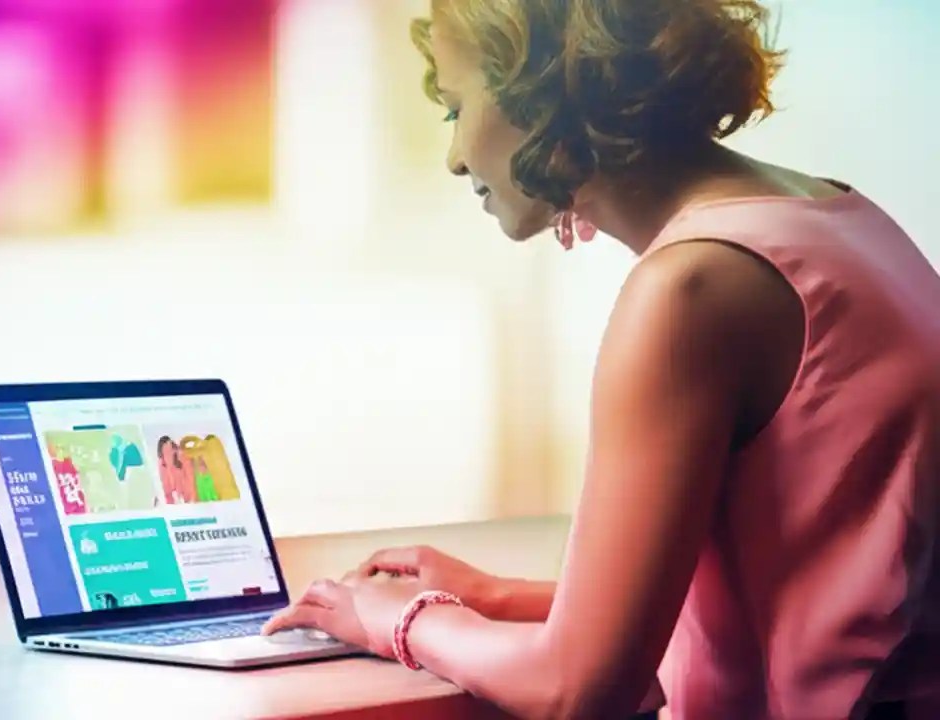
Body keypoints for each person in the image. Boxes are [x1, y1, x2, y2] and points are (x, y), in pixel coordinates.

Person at [263, 1, 940, 718]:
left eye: (455, 110)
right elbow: (805, 596)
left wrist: (394, 620)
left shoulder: (692, 289)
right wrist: (493, 597)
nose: (456, 156)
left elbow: (578, 688)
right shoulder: (842, 215)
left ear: (546, 89)